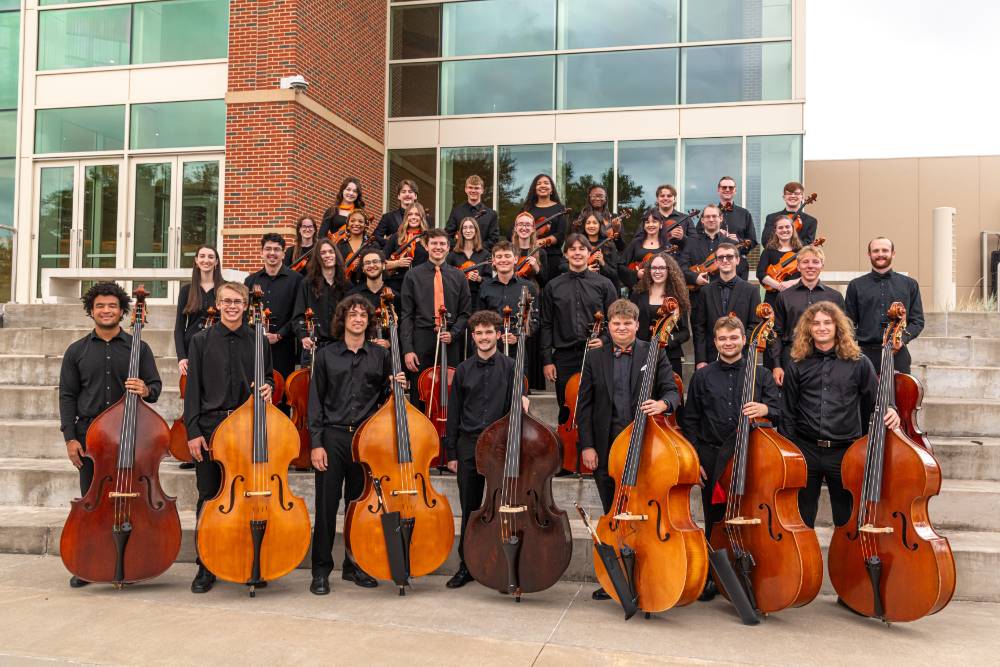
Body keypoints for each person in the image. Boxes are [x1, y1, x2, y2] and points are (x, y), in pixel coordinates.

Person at [59, 282, 162, 588]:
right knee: (94, 502)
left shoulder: (138, 348)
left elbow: (155, 387)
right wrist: (70, 438)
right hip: (90, 438)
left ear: (123, 311)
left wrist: (145, 389)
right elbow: (67, 395)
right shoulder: (76, 351)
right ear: (91, 311)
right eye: (100, 306)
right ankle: (89, 564)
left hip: (130, 436)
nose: (106, 311)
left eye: (112, 306)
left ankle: (133, 557)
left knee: (132, 501)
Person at [575, 298, 679, 599]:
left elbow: (672, 389)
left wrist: (663, 403)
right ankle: (616, 576)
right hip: (607, 447)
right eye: (616, 323)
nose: (621, 328)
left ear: (637, 325)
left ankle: (649, 569)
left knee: (642, 510)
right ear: (609, 326)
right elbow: (586, 405)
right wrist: (588, 446)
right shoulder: (596, 357)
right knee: (613, 512)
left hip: (644, 446)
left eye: (627, 323)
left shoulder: (654, 351)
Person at [680, 315, 781, 601]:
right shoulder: (702, 376)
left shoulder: (760, 375)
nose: (728, 343)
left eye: (733, 338)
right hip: (712, 456)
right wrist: (696, 460)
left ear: (743, 340)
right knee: (714, 519)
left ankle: (751, 571)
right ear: (715, 342)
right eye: (722, 339)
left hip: (750, 455)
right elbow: (690, 421)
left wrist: (765, 408)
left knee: (749, 515)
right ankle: (714, 577)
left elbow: (780, 410)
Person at [307, 295, 402, 595]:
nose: (358, 319)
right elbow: (315, 402)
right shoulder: (326, 355)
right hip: (333, 438)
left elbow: (388, 400)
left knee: (358, 508)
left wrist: (398, 386)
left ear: (369, 322)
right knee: (326, 508)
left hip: (366, 441)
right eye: (353, 314)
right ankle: (321, 571)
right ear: (343, 320)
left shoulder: (380, 356)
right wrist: (317, 443)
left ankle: (354, 565)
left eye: (363, 315)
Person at [184, 282, 274, 594]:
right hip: (210, 428)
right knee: (209, 496)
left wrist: (269, 388)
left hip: (248, 429)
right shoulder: (200, 340)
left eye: (238, 301)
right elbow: (192, 389)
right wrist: (193, 432)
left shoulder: (258, 340)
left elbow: (269, 379)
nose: (232, 306)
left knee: (250, 496)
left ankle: (250, 559)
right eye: (227, 301)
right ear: (218, 304)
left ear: (247, 306)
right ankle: (205, 565)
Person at [779, 302, 900, 528]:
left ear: (837, 327)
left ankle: (843, 561)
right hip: (806, 450)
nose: (822, 327)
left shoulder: (859, 362)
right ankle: (806, 562)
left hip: (845, 452)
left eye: (827, 322)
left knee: (846, 518)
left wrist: (891, 408)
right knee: (801, 517)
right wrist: (789, 454)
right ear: (808, 328)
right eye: (816, 323)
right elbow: (787, 411)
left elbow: (876, 400)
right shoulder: (796, 363)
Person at [443, 310, 527, 589]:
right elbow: (453, 413)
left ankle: (501, 565)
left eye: (489, 332)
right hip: (468, 445)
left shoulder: (512, 366)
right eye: (479, 333)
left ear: (498, 334)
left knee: (501, 507)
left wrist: (523, 401)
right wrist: (452, 454)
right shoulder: (464, 369)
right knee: (469, 508)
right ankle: (466, 566)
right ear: (473, 336)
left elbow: (517, 407)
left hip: (500, 445)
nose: (484, 337)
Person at [540, 234, 617, 427]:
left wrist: (605, 339)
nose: (577, 253)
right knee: (566, 410)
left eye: (582, 249)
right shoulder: (553, 286)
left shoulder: (604, 284)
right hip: (564, 357)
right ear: (565, 254)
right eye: (572, 249)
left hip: (596, 353)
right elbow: (546, 324)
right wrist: (547, 360)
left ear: (589, 253)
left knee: (598, 408)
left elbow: (616, 319)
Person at [400, 228, 472, 404]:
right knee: (421, 391)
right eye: (434, 243)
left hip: (450, 339)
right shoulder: (412, 275)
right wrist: (408, 349)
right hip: (422, 339)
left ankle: (446, 430)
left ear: (448, 247)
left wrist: (454, 333)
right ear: (426, 246)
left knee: (450, 391)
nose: (438, 247)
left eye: (442, 244)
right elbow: (406, 315)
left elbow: (465, 313)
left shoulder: (459, 276)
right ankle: (422, 430)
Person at [845, 237, 925, 374]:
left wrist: (902, 339)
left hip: (898, 353)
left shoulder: (910, 284)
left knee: (899, 395)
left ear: (893, 253)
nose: (880, 254)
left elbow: (917, 321)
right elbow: (847, 322)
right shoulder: (855, 285)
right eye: (875, 251)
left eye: (885, 250)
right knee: (866, 395)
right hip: (865, 354)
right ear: (869, 254)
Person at [769, 245, 845, 387]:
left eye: (815, 262)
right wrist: (777, 365)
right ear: (798, 267)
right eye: (805, 262)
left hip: (827, 359)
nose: (810, 266)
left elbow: (842, 332)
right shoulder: (784, 296)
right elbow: (776, 333)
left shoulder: (835, 297)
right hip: (791, 358)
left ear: (822, 265)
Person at [690, 243, 760, 369]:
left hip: (742, 356)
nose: (725, 260)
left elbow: (755, 325)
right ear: (716, 262)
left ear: (737, 260)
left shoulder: (751, 291)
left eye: (729, 257)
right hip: (711, 358)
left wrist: (735, 345)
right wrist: (701, 359)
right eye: (721, 258)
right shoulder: (705, 291)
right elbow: (699, 327)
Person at [244, 233, 304, 379]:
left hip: (284, 347)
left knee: (282, 392)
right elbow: (245, 314)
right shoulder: (250, 281)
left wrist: (279, 335)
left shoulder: (297, 280)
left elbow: (298, 313)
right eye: (268, 249)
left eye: (277, 249)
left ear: (284, 253)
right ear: (261, 253)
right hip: (255, 345)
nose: (272, 253)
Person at [629, 253, 690, 377]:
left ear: (669, 270)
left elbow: (685, 332)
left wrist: (667, 339)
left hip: (670, 356)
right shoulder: (637, 294)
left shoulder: (677, 297)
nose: (657, 271)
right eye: (654, 268)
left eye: (662, 268)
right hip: (641, 354)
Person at [293, 238, 349, 354]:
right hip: (314, 346)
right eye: (323, 253)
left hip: (341, 346)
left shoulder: (346, 285)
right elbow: (298, 316)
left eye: (330, 251)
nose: (327, 255)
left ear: (336, 254)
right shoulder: (307, 283)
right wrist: (303, 336)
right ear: (317, 258)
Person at [523, 174, 569, 284]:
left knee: (551, 290)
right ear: (534, 189)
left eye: (546, 183)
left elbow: (561, 235)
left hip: (552, 257)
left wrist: (541, 241)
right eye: (539, 183)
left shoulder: (560, 209)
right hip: (530, 256)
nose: (542, 185)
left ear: (551, 189)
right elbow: (512, 231)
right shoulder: (527, 209)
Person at [448, 216, 493, 318]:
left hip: (478, 299)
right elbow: (446, 277)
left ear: (476, 230)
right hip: (458, 299)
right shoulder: (453, 255)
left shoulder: (485, 254)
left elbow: (489, 280)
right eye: (465, 228)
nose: (468, 230)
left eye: (471, 227)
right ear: (461, 231)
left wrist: (479, 278)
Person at [713, 176, 758, 280]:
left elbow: (753, 241)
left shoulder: (744, 213)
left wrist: (739, 240)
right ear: (718, 190)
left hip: (739, 265)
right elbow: (699, 237)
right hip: (714, 266)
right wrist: (716, 233)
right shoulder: (710, 214)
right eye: (724, 187)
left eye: (731, 187)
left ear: (735, 190)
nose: (727, 190)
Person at [382, 201, 430, 294]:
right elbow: (381, 262)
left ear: (422, 218)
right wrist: (397, 263)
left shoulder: (427, 238)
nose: (413, 217)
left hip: (420, 284)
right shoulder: (396, 237)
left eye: (417, 214)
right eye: (410, 214)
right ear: (406, 217)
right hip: (397, 284)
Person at [756, 216, 803, 308]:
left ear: (792, 229)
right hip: (773, 298)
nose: (784, 230)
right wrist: (778, 286)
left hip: (796, 296)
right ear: (775, 231)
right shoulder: (768, 250)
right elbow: (760, 273)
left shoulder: (801, 251)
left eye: (787, 227)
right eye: (780, 227)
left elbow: (806, 275)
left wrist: (790, 283)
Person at [445, 175, 499, 250]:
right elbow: (447, 235)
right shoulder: (456, 211)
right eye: (470, 187)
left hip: (483, 257)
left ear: (482, 190)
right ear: (465, 189)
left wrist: (477, 249)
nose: (473, 191)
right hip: (460, 256)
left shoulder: (491, 214)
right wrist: (460, 248)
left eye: (476, 188)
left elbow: (494, 239)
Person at [570, 212, 622, 291]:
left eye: (595, 223)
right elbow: (562, 266)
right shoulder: (577, 243)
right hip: (581, 287)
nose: (591, 226)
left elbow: (614, 274)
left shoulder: (609, 245)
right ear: (584, 225)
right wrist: (584, 270)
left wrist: (603, 263)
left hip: (603, 289)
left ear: (600, 226)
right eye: (588, 223)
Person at [680, 205, 727, 289]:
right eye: (707, 216)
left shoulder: (729, 243)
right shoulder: (691, 242)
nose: (711, 219)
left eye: (714, 216)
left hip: (722, 294)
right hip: (698, 295)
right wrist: (695, 278)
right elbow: (681, 267)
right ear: (702, 220)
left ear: (721, 218)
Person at [622, 212, 669, 290]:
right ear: (644, 225)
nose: (650, 225)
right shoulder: (636, 243)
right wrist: (636, 274)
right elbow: (621, 266)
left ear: (661, 224)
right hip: (639, 289)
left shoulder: (667, 246)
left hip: (661, 289)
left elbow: (673, 270)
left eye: (654, 221)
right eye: (647, 222)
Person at [762, 182, 818, 247]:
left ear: (802, 197)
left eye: (796, 194)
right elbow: (765, 241)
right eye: (789, 194)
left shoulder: (811, 221)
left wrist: (789, 246)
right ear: (784, 197)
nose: (793, 196)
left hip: (797, 256)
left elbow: (807, 245)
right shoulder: (771, 218)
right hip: (774, 255)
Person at [641, 184, 689, 254]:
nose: (665, 198)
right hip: (652, 260)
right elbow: (639, 238)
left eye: (669, 196)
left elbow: (694, 242)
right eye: (662, 196)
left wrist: (683, 238)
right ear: (657, 199)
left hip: (679, 262)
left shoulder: (685, 218)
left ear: (674, 199)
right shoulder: (648, 218)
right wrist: (666, 236)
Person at [336, 209, 374, 286]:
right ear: (348, 225)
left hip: (366, 286)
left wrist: (363, 264)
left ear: (365, 225)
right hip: (344, 287)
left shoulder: (372, 245)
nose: (356, 224)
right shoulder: (340, 245)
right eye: (352, 221)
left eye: (360, 221)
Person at [511, 211, 547, 289]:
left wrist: (537, 268)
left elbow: (544, 282)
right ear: (515, 228)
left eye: (528, 225)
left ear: (533, 229)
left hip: (533, 293)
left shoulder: (541, 252)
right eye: (520, 224)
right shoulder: (509, 250)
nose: (524, 228)